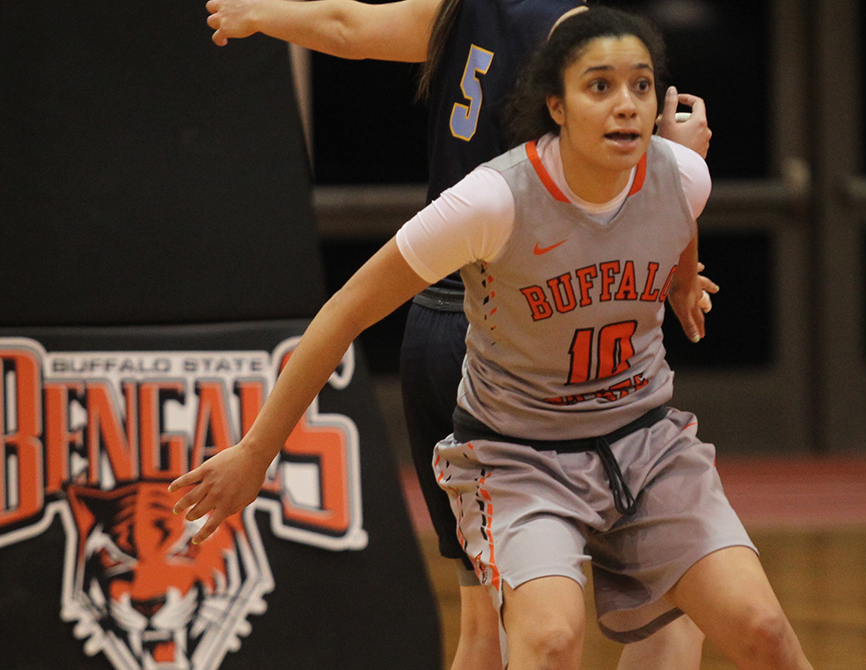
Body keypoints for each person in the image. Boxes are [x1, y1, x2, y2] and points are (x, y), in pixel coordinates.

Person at [174, 7, 813, 669]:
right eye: (601, 86)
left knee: (738, 626)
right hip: (510, 411)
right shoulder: (500, 186)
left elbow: (349, 27)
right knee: (566, 635)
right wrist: (257, 451)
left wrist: (681, 277)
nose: (625, 104)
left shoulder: (672, 169)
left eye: (640, 87)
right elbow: (346, 310)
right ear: (553, 103)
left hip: (621, 429)